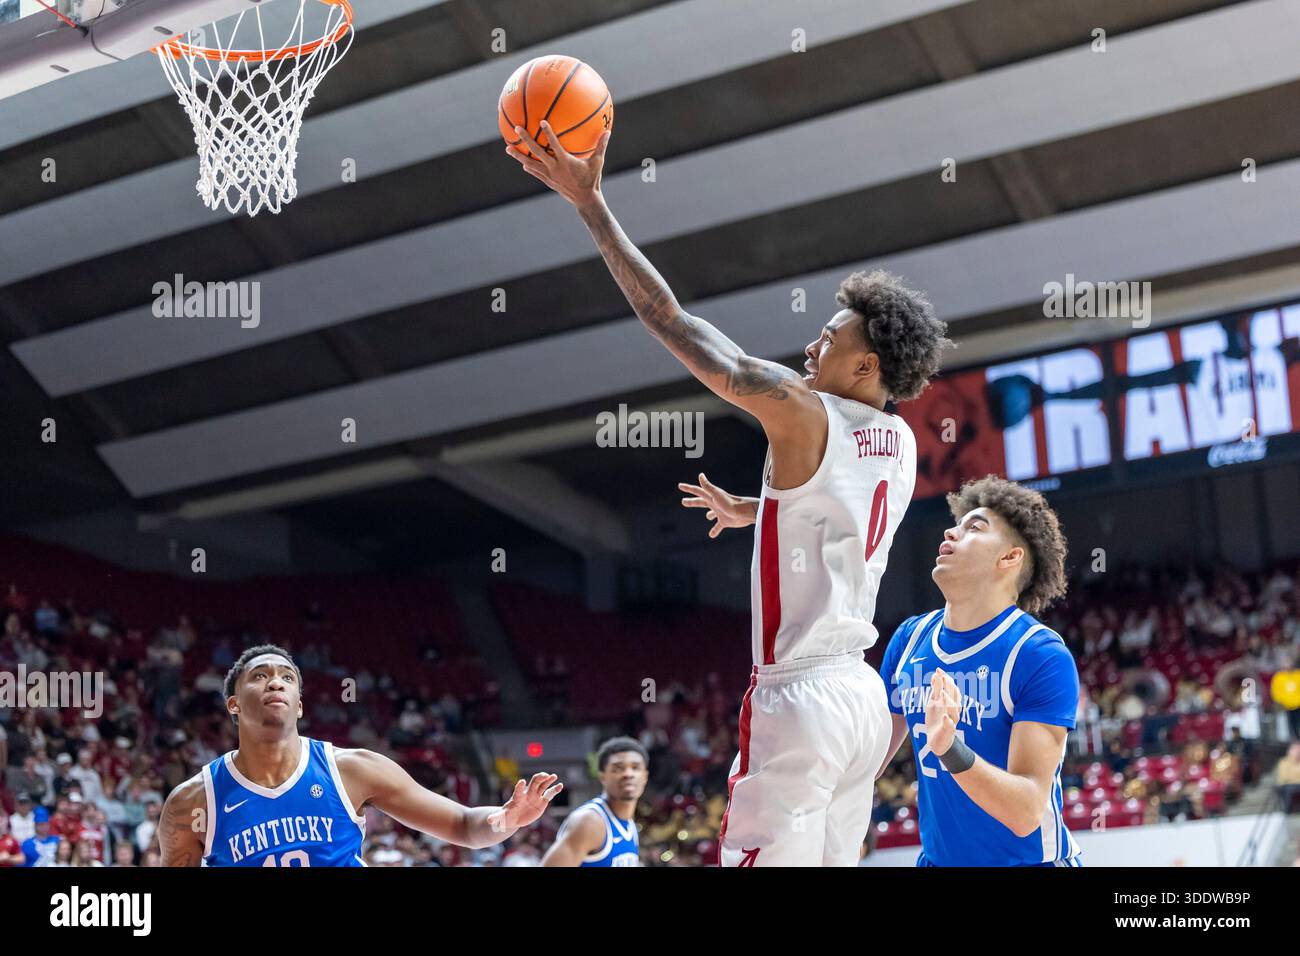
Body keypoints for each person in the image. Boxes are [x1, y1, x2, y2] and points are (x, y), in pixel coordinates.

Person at [507, 122, 949, 867]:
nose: (812, 346)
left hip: (801, 694)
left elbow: (674, 323)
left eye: (829, 338)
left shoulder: (802, 410)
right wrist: (762, 509)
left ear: (866, 365)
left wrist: (590, 206)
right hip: (862, 704)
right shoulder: (901, 441)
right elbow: (840, 514)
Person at [160, 645, 563, 866]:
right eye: (260, 676)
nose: (276, 683)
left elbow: (461, 825)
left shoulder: (352, 769)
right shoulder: (194, 801)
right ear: (233, 704)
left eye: (287, 677)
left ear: (300, 705)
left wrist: (503, 819)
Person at [878, 476, 1082, 866]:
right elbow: (864, 765)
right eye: (957, 523)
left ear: (1009, 558)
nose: (951, 532)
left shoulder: (1038, 654)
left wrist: (949, 749)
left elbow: (1026, 812)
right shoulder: (909, 639)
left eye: (974, 527)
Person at [542, 737, 648, 867]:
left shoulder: (629, 824)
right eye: (618, 768)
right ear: (602, 776)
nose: (628, 774)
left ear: (645, 777)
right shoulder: (589, 821)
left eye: (635, 767)